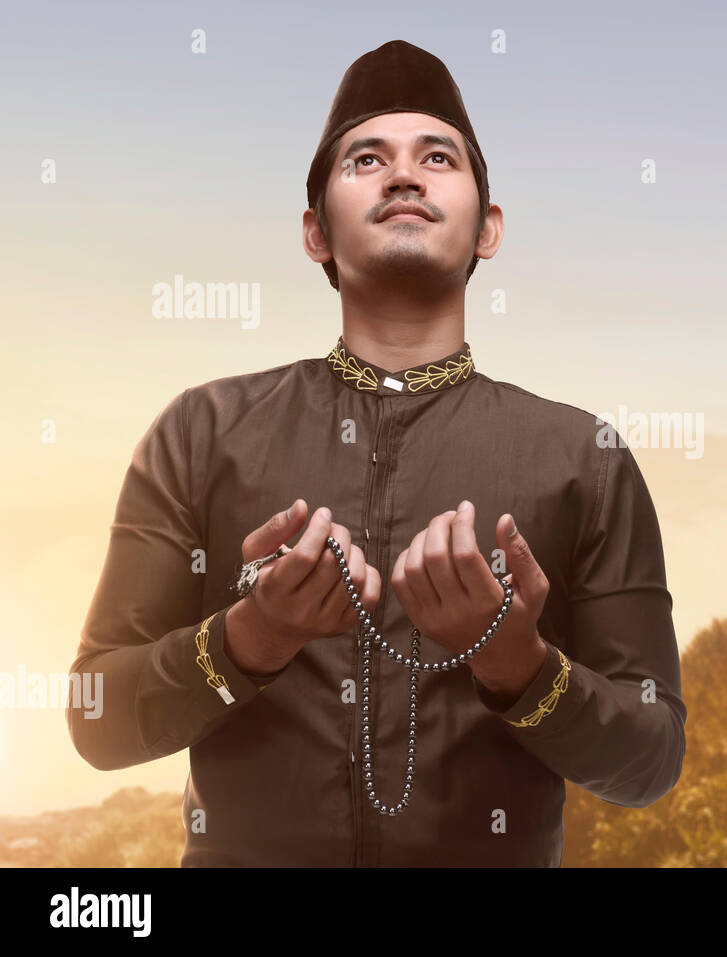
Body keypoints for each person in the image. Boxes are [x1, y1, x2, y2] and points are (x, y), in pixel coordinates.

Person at [66, 39, 686, 866]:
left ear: (489, 228)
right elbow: (95, 718)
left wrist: (518, 664)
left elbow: (651, 758)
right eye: (367, 158)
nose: (404, 176)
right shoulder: (201, 433)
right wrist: (250, 636)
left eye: (438, 156)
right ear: (316, 232)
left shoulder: (584, 456)